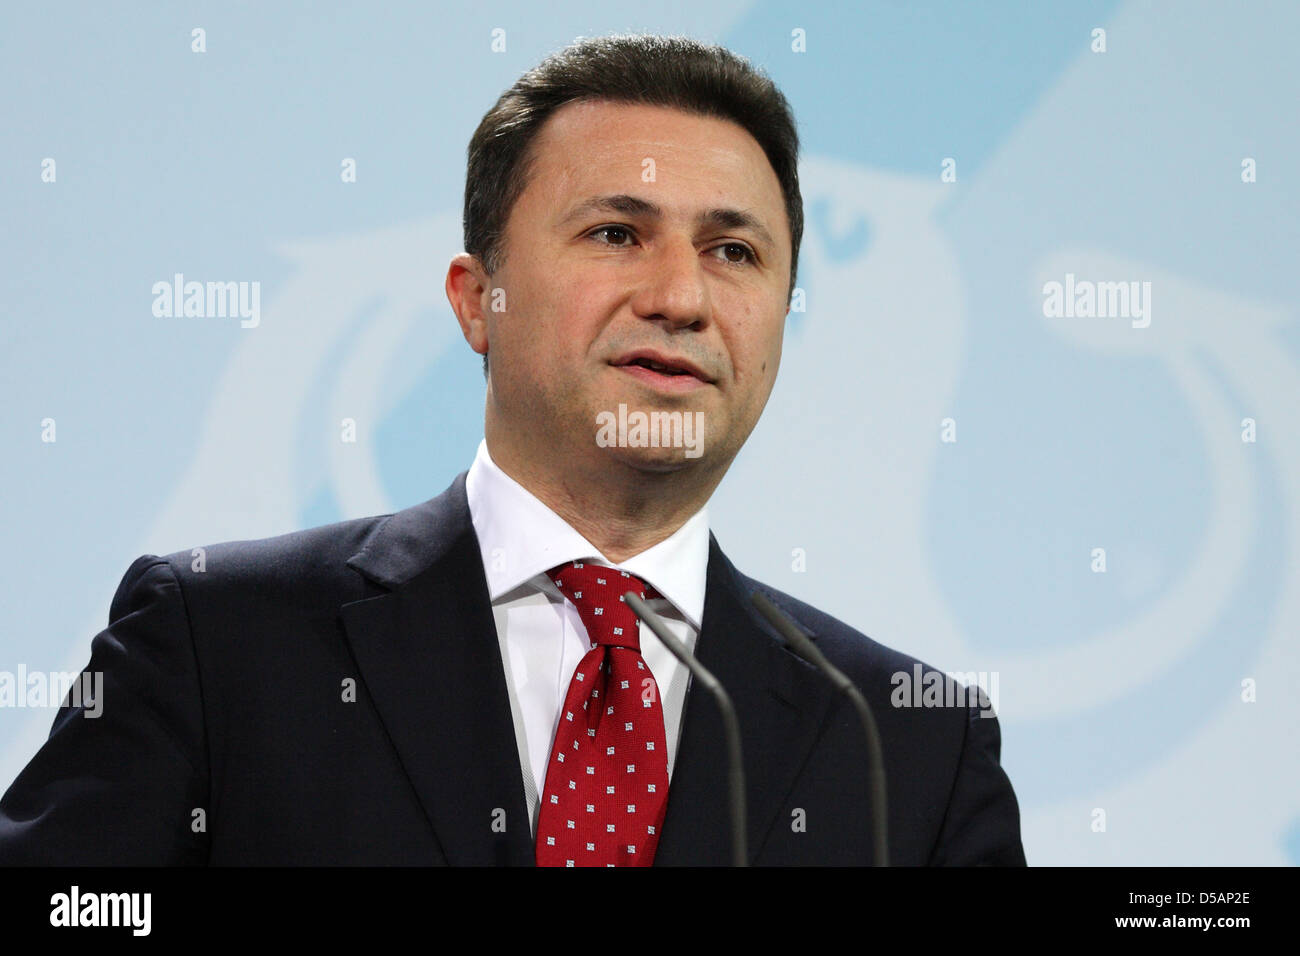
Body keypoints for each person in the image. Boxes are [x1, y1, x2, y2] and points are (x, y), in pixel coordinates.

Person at [0, 34, 1025, 866]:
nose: (679, 296)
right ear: (473, 299)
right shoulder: (216, 644)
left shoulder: (912, 745)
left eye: (734, 252)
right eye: (617, 233)